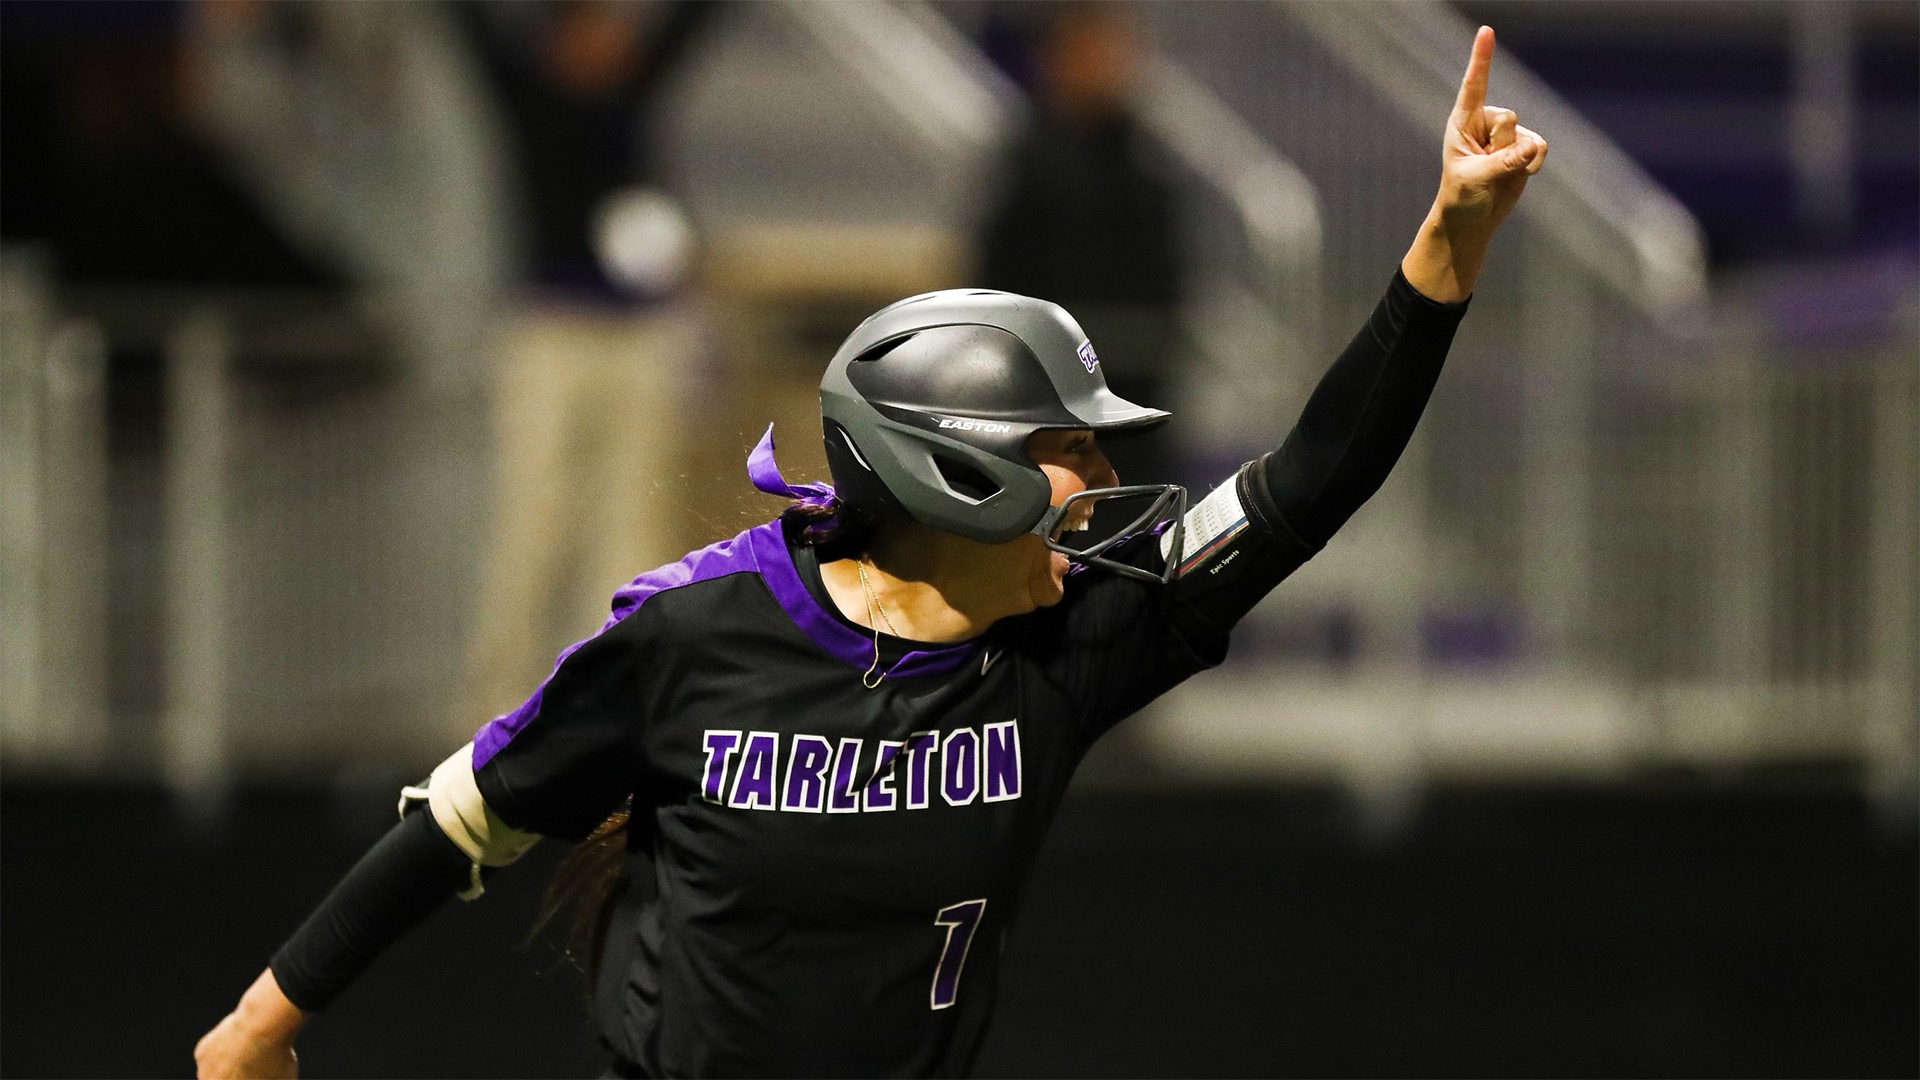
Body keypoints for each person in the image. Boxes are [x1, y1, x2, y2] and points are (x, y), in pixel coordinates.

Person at [195, 27, 1545, 1080]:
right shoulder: (694, 632)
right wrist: (259, 1025)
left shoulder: (1078, 634)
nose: (1102, 488)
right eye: (1067, 452)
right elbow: (459, 823)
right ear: (955, 475)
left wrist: (1449, 240)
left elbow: (1313, 479)